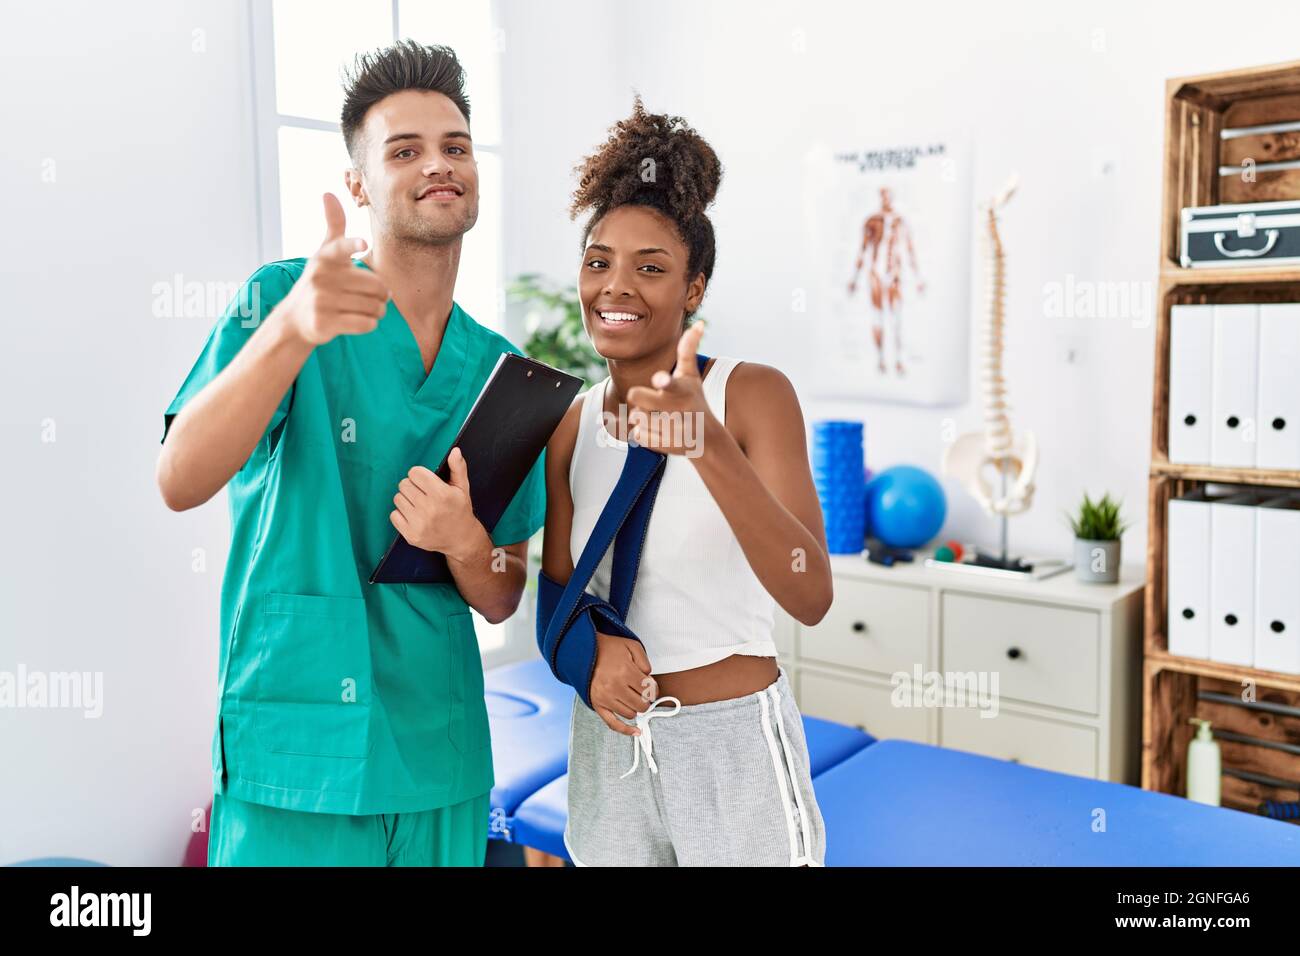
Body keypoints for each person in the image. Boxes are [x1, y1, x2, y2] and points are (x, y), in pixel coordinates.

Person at [155, 41, 545, 866]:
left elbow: (505, 592)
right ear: (359, 186)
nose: (438, 165)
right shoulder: (283, 300)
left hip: (441, 755)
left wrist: (469, 547)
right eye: (405, 151)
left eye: (456, 147)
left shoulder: (499, 374)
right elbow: (180, 477)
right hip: (299, 749)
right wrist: (295, 331)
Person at [541, 98, 834, 866]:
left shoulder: (752, 394)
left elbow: (811, 593)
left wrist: (705, 444)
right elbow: (558, 594)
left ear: (693, 288)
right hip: (611, 745)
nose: (616, 287)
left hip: (730, 743)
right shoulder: (569, 424)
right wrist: (589, 660)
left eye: (651, 268)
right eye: (599, 261)